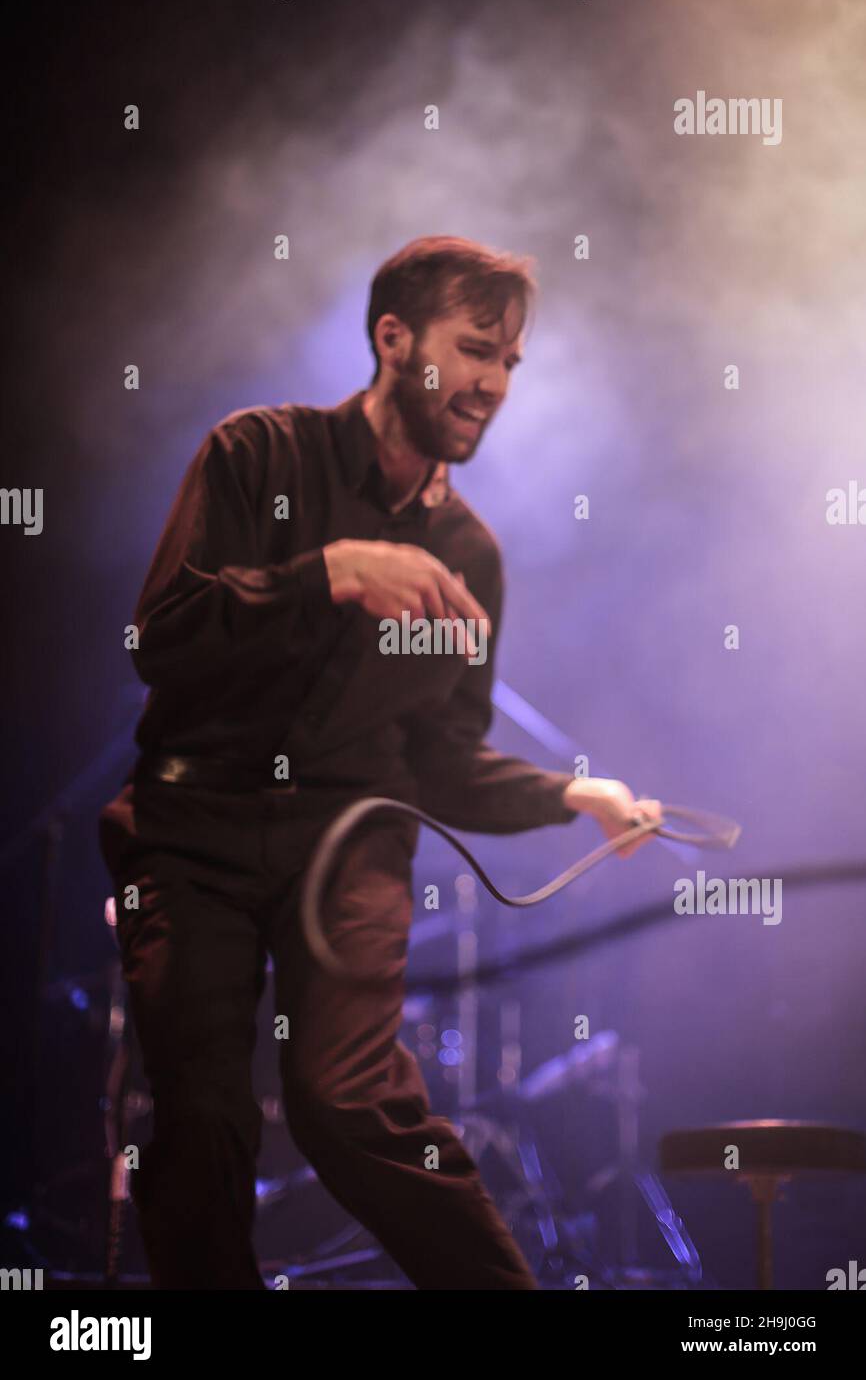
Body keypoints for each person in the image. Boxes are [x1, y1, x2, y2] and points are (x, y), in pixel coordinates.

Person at [99, 234, 661, 1290]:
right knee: (205, 1113)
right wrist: (327, 573)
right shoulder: (256, 453)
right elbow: (158, 636)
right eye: (474, 348)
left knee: (345, 1097)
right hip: (193, 832)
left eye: (509, 362)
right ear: (392, 338)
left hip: (349, 842)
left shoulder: (471, 556)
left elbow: (441, 761)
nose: (493, 381)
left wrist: (567, 793)